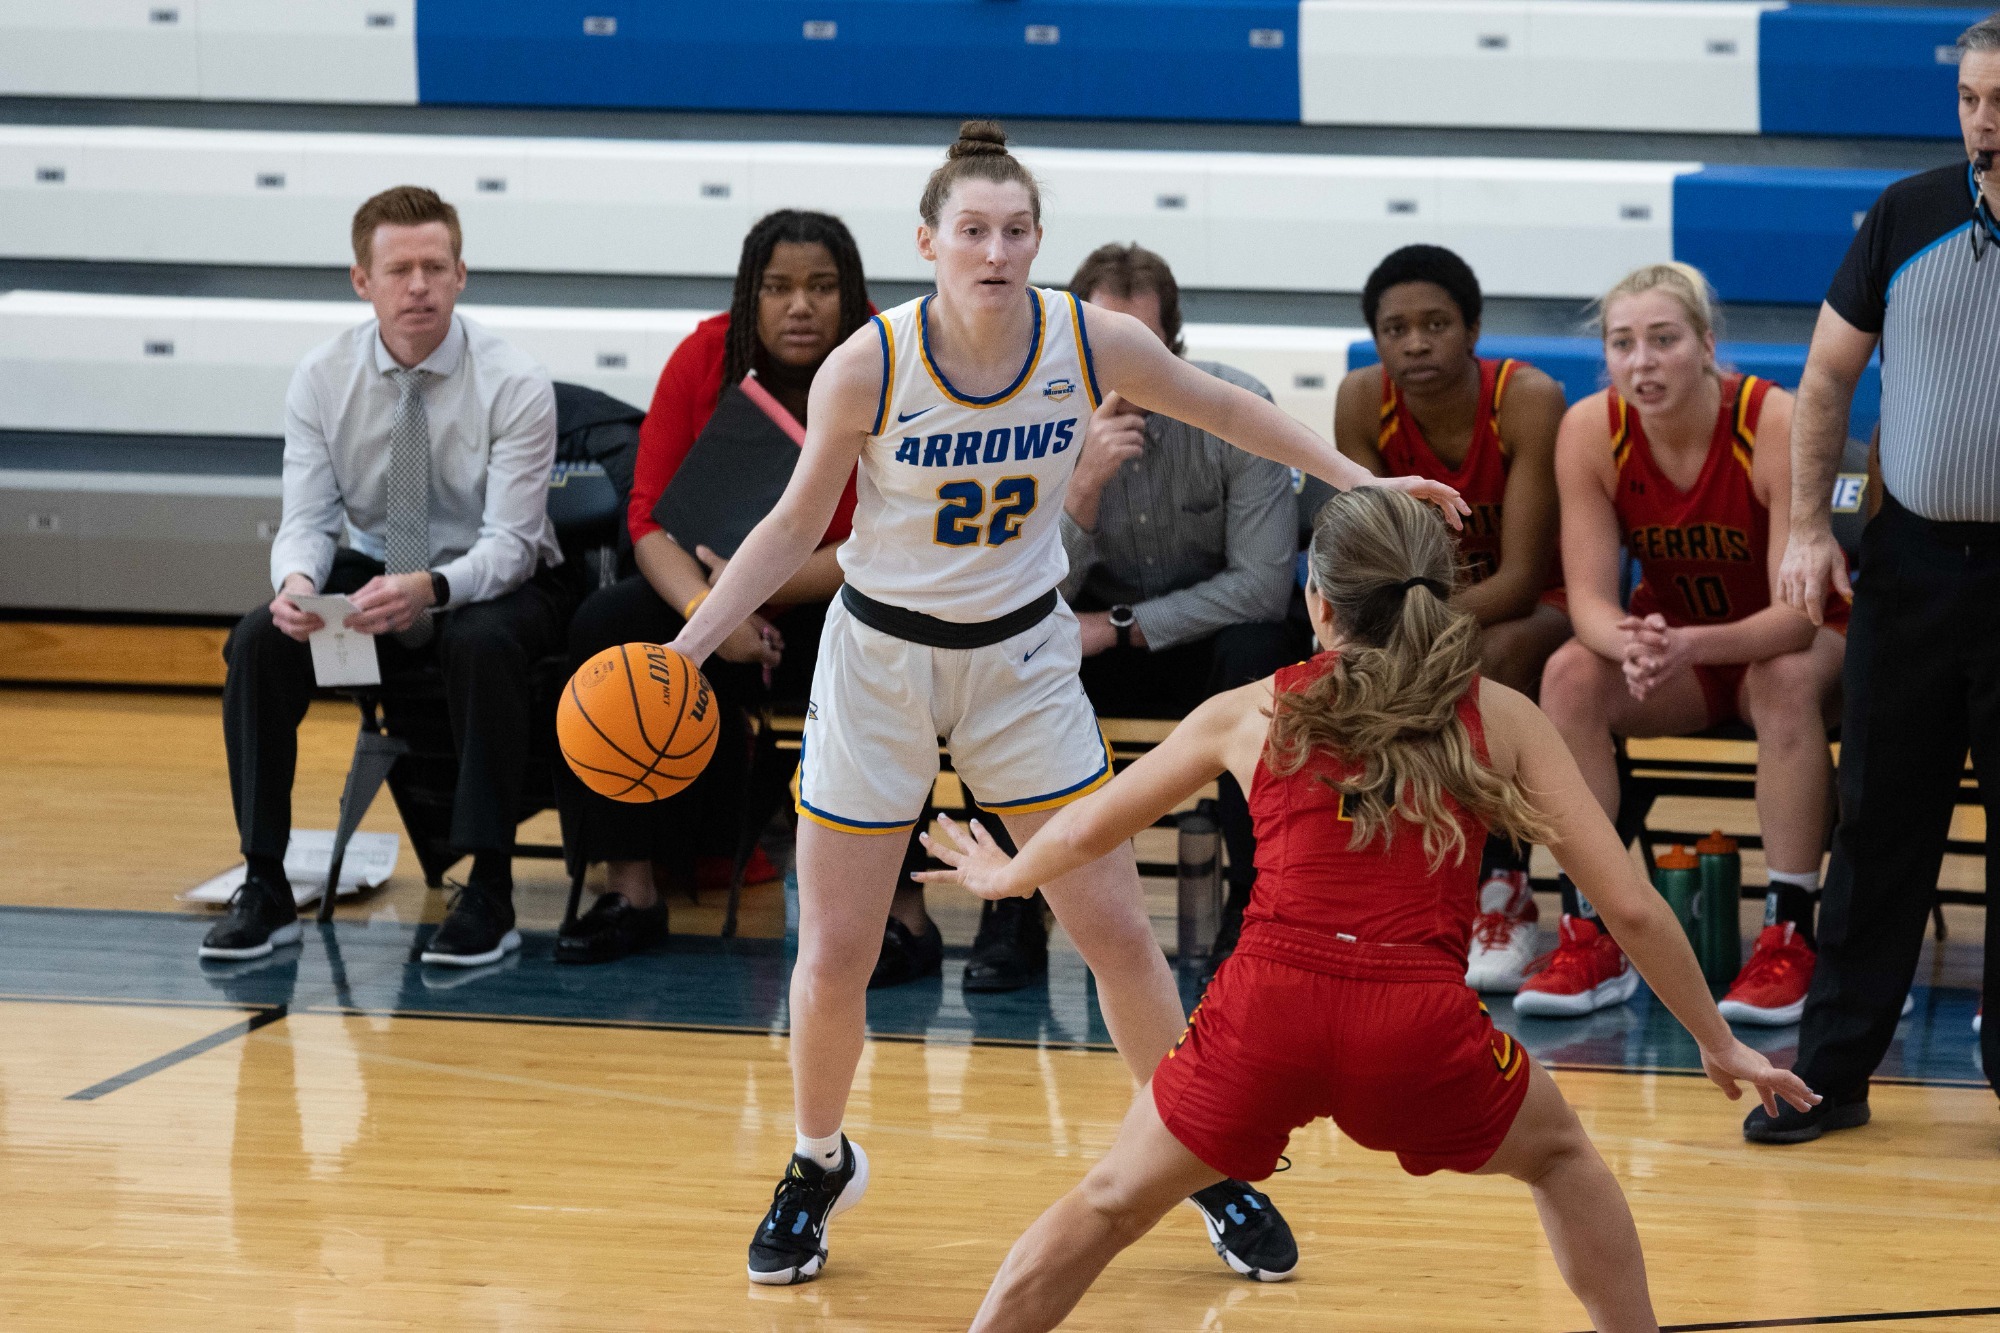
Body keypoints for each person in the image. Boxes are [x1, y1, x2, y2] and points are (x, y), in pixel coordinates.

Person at [666, 120, 1466, 1288]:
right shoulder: (868, 365)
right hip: (880, 659)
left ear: (1038, 239)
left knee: (1115, 933)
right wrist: (685, 650)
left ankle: (1199, 1154)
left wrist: (1363, 479)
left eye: (1017, 230)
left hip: (1022, 661)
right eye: (973, 231)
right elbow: (795, 525)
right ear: (929, 242)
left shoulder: (1085, 339)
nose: (996, 250)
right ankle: (816, 1157)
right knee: (833, 948)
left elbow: (1229, 412)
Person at [914, 487, 1816, 1333]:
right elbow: (1633, 907)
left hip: (1267, 1011)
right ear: (1442, 597)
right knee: (1561, 1158)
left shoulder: (1252, 709)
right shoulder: (1500, 716)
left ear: (1320, 603)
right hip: (1416, 1026)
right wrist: (1717, 1038)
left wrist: (1010, 873)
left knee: (1110, 1200)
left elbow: (1084, 831)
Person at [202, 185, 577, 966]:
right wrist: (298, 587)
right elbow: (306, 520)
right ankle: (265, 882)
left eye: (435, 267)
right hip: (376, 568)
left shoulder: (514, 381)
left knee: (481, 641)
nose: (419, 286)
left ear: (462, 275)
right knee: (258, 642)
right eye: (399, 269)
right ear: (361, 281)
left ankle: (490, 887)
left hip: (492, 579)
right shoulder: (321, 376)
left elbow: (511, 542)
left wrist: (429, 589)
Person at [1750, 11, 2000, 1140]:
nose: (1982, 126)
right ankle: (1831, 1072)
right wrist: (1808, 527)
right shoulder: (1906, 212)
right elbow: (1823, 375)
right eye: (1969, 102)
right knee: (1879, 822)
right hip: (1907, 562)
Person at [951, 242, 1304, 990]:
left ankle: (1256, 910)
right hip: (1080, 654)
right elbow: (1010, 587)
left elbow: (1264, 587)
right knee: (1001, 658)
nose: (1119, 369)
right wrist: (1079, 490)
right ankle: (1013, 907)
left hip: (1203, 646)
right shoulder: (1024, 424)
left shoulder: (1241, 411)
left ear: (1173, 347)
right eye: (1101, 347)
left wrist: (1118, 624)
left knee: (1266, 651)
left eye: (1139, 348)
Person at [553, 209, 880, 965]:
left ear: (853, 296)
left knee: (890, 632)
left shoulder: (890, 364)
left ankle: (895, 912)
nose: (800, 305)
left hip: (833, 599)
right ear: (748, 296)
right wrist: (710, 612)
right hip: (707, 602)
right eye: (778, 287)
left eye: (823, 287)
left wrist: (755, 591)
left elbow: (888, 544)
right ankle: (629, 888)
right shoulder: (703, 356)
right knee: (606, 625)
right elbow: (646, 519)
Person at [1524, 263, 1846, 1027]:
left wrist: (1685, 646)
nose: (1642, 362)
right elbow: (1591, 600)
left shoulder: (1770, 419)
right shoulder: (1589, 429)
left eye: (1663, 340)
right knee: (1570, 673)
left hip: (1793, 638)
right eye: (1622, 342)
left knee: (1783, 678)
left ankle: (1789, 931)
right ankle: (1593, 928)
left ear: (1706, 344)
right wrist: (1629, 642)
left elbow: (1796, 614)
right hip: (1685, 651)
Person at [1335, 244, 1569, 993]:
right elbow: (1374, 554)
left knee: (1490, 654)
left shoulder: (1528, 398)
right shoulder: (1360, 402)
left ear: (1472, 329)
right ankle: (1386, 884)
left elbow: (1524, 579)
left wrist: (1411, 633)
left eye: (1435, 323)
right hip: (1424, 612)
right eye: (1395, 328)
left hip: (1540, 613)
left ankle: (1504, 887)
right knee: (1340, 671)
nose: (1415, 341)